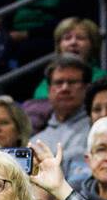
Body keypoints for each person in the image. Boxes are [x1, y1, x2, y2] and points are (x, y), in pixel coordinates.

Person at [34, 55, 93, 185]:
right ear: (49, 90)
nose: (65, 88)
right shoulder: (35, 141)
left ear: (86, 88)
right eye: (58, 83)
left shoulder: (97, 131)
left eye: (72, 82)